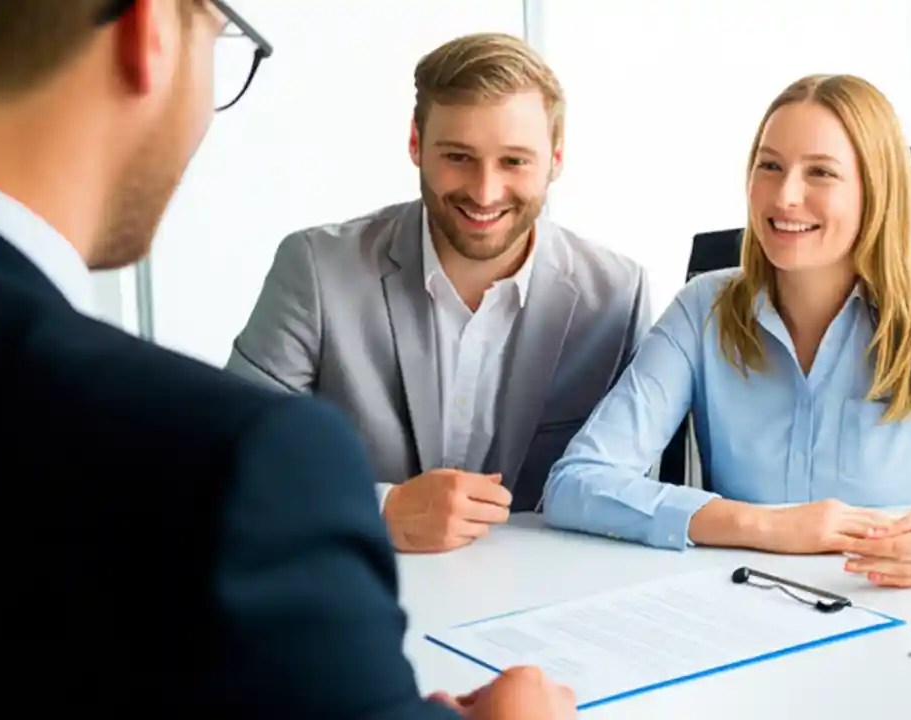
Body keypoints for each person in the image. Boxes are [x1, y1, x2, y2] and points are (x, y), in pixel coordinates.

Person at [0, 1, 573, 716]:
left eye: (513, 160)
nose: (484, 189)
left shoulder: (612, 286)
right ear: (150, 31)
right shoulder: (251, 456)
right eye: (224, 42)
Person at [541, 73, 911, 588]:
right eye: (770, 166)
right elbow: (577, 482)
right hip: (743, 606)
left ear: (875, 192)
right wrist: (763, 524)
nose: (785, 195)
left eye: (821, 172)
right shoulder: (703, 309)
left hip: (904, 609)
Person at [225, 32, 650, 554]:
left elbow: (627, 491)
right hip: (357, 583)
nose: (485, 191)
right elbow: (231, 456)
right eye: (458, 156)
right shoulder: (316, 269)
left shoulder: (618, 296)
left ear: (556, 159)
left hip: (542, 609)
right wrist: (380, 508)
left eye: (514, 161)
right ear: (415, 144)